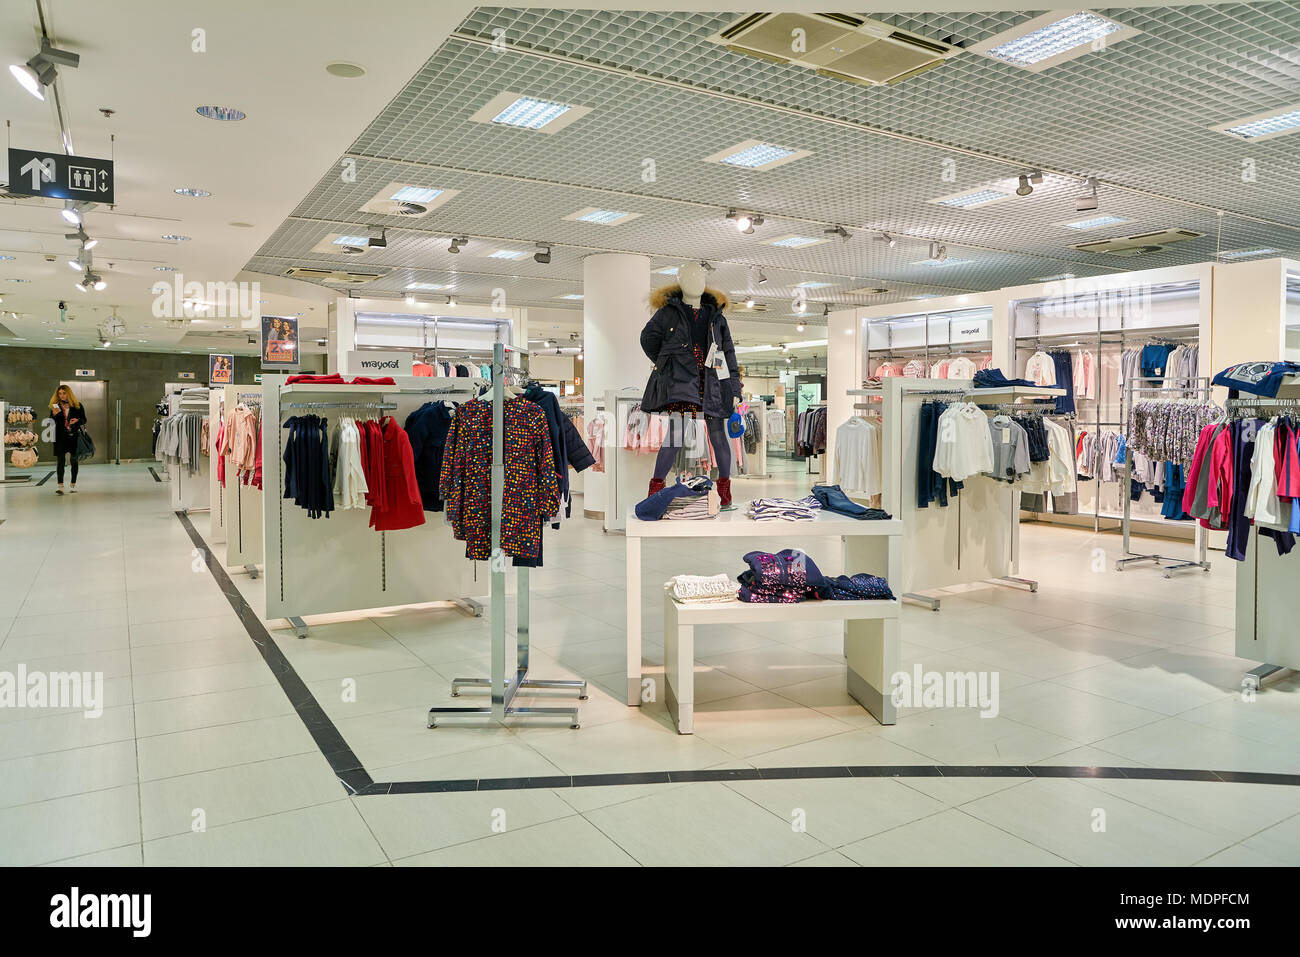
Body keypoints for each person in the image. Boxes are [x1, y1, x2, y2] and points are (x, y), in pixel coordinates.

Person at [638, 264, 742, 508]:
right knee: (674, 435)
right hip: (682, 381)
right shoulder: (668, 313)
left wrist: (735, 388)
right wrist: (667, 363)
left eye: (700, 275)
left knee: (718, 436)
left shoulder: (717, 317)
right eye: (689, 276)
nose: (695, 280)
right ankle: (655, 490)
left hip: (712, 380)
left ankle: (724, 494)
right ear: (679, 281)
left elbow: (728, 353)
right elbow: (647, 339)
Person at [49, 384, 88, 495]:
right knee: (60, 461)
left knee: (74, 461)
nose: (62, 396)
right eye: (60, 394)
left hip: (74, 437)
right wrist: (53, 415)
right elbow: (51, 422)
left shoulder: (77, 405)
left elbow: (84, 419)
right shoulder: (55, 406)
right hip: (60, 437)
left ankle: (73, 484)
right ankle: (60, 486)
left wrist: (77, 420)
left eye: (64, 393)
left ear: (69, 393)